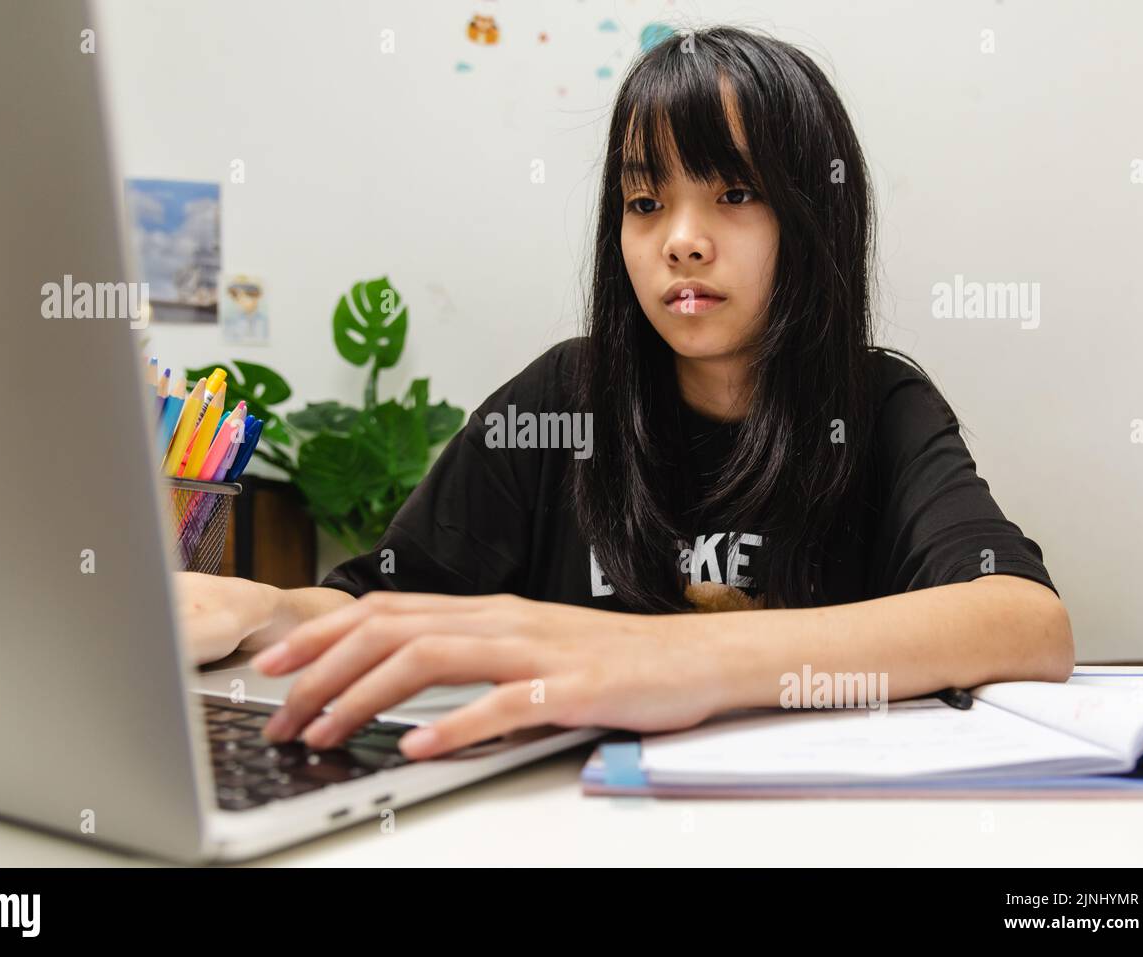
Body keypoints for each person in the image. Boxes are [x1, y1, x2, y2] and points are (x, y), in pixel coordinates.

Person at [176, 26, 1072, 761]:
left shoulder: (875, 406)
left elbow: (1026, 621)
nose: (681, 240)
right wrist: (268, 607)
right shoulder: (564, 398)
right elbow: (384, 598)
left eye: (734, 192)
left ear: (815, 215)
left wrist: (679, 658)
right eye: (645, 202)